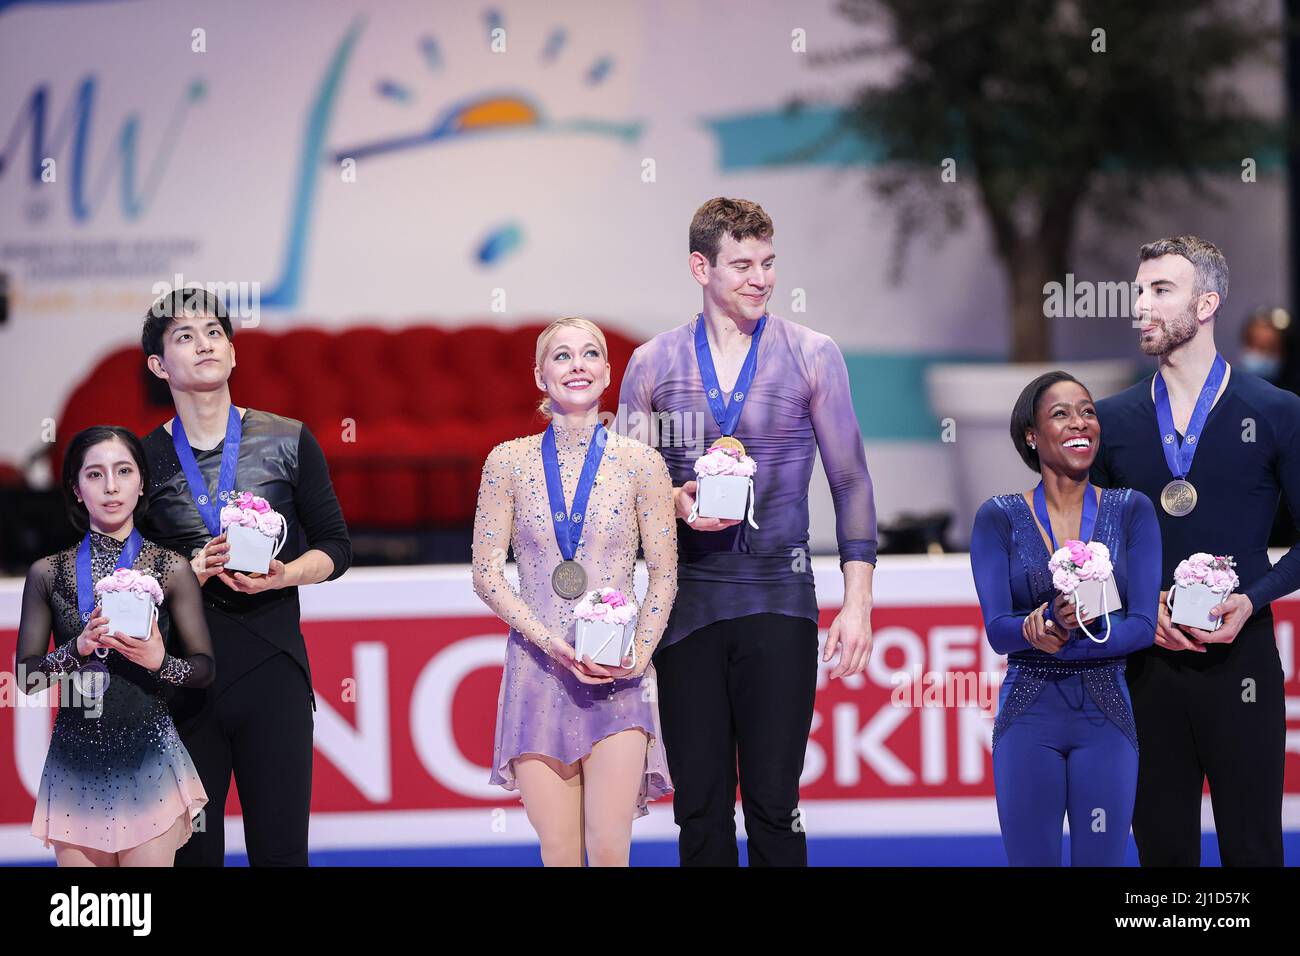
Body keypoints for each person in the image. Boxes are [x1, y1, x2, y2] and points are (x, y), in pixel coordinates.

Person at [617, 197, 877, 866]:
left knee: (774, 805)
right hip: (687, 609)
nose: (760, 279)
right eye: (741, 265)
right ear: (700, 267)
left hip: (780, 603)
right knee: (699, 811)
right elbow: (623, 493)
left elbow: (850, 483)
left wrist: (857, 604)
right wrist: (673, 501)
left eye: (767, 263)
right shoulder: (652, 363)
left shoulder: (815, 354)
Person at [1092, 235, 1299, 866]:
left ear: (1206, 303)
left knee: (1254, 851)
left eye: (1161, 291)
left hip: (1243, 667)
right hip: (1142, 669)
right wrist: (1133, 607)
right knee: (1162, 857)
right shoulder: (1112, 420)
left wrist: (1250, 598)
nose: (1141, 307)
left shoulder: (1276, 411)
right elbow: (1085, 552)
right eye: (1137, 291)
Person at [137, 287, 352, 866]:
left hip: (273, 671)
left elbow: (337, 547)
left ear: (233, 353)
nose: (204, 344)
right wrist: (185, 573)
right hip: (182, 680)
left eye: (214, 333)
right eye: (184, 336)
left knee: (281, 854)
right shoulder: (141, 459)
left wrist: (284, 575)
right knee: (193, 857)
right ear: (159, 366)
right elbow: (122, 573)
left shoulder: (289, 439)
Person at [472, 316, 676, 866]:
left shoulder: (642, 463)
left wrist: (639, 652)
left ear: (608, 372)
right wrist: (550, 642)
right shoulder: (507, 462)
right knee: (560, 853)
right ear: (540, 376)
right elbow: (486, 573)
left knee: (609, 850)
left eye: (590, 354)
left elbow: (663, 572)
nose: (577, 365)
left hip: (620, 676)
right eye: (561, 356)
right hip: (539, 674)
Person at [970, 373, 1159, 865]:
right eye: (1061, 413)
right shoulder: (999, 517)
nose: (1080, 422)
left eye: (1088, 411)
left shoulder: (1132, 510)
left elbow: (1141, 626)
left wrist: (1082, 632)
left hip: (1107, 717)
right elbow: (998, 631)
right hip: (1029, 716)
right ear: (1030, 434)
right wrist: (1036, 627)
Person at [16, 426, 213, 866]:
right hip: (75, 766)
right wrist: (77, 649)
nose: (110, 486)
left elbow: (205, 669)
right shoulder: (47, 573)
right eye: (95, 474)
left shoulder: (171, 568)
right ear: (76, 487)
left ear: (141, 481)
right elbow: (26, 679)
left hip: (150, 760)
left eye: (123, 471)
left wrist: (163, 662)